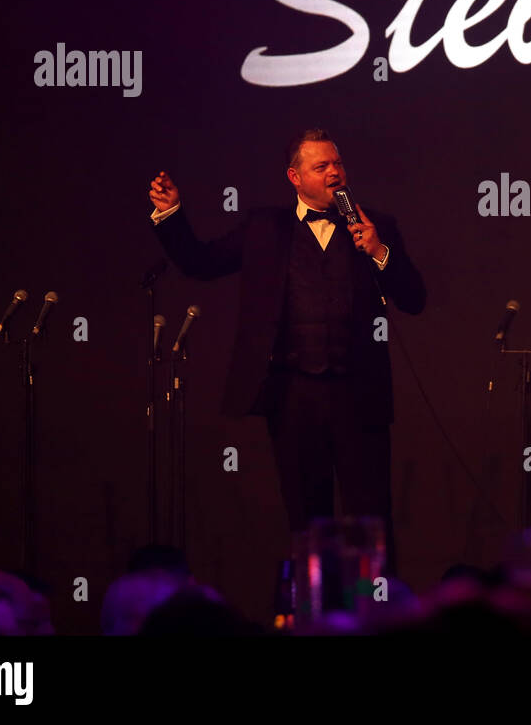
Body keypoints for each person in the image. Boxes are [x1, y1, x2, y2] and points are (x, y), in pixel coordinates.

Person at [147, 129, 425, 575]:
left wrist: (378, 251)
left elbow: (414, 299)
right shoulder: (264, 229)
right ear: (295, 177)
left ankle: (373, 613)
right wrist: (171, 214)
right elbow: (200, 263)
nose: (335, 172)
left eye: (338, 164)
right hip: (293, 396)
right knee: (306, 516)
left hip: (359, 395)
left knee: (369, 517)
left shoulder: (376, 226)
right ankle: (316, 615)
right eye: (322, 166)